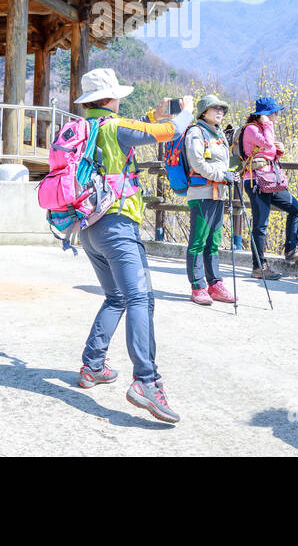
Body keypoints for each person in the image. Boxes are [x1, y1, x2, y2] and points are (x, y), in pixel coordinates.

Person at [73, 67, 192, 424]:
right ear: (110, 98)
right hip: (118, 225)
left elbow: (132, 129)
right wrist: (184, 112)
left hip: (88, 227)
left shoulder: (86, 128)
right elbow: (166, 132)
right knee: (141, 299)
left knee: (117, 297)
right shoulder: (116, 127)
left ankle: (93, 366)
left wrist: (152, 115)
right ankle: (146, 380)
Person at [238, 96, 298, 280]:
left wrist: (279, 151)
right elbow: (267, 144)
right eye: (275, 113)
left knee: (296, 208)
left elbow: (268, 151)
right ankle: (259, 267)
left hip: (270, 181)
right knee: (260, 226)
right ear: (266, 115)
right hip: (256, 181)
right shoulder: (252, 129)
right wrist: (268, 125)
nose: (277, 116)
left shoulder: (260, 129)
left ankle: (291, 250)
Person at [182, 95, 239, 306]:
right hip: (201, 194)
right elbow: (196, 162)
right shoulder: (196, 132)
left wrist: (230, 173)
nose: (220, 112)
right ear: (203, 112)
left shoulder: (219, 134)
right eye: (215, 109)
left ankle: (214, 283)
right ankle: (198, 287)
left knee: (213, 242)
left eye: (222, 109)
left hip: (218, 193)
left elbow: (222, 162)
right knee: (198, 241)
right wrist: (221, 175)